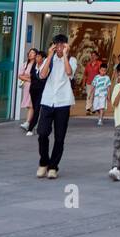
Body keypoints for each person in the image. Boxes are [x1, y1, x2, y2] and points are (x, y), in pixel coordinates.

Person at [35, 34, 78, 179]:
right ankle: (43, 162)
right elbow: (42, 75)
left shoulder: (72, 60)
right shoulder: (49, 59)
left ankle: (53, 166)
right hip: (47, 101)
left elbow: (69, 73)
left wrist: (65, 55)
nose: (59, 48)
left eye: (62, 45)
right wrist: (49, 56)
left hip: (63, 102)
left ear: (66, 46)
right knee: (42, 133)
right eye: (57, 45)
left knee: (60, 137)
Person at [18, 48, 40, 131]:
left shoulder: (37, 65)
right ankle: (33, 122)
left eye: (33, 53)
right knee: (29, 105)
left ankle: (28, 122)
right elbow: (20, 75)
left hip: (34, 87)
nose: (30, 54)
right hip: (27, 87)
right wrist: (28, 78)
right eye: (30, 53)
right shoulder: (25, 64)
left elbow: (37, 77)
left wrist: (27, 77)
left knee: (31, 105)